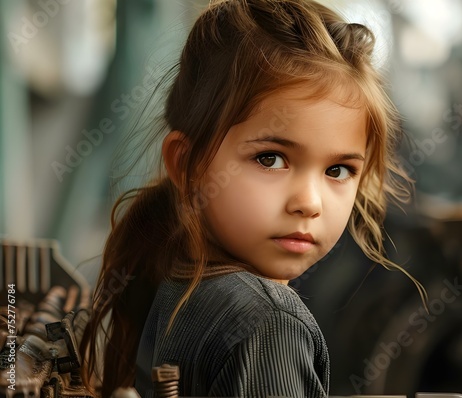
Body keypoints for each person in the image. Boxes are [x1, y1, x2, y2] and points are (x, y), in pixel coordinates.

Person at [78, 0, 426, 396]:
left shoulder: (172, 279)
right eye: (271, 159)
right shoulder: (268, 322)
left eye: (338, 170)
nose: (309, 202)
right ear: (188, 165)